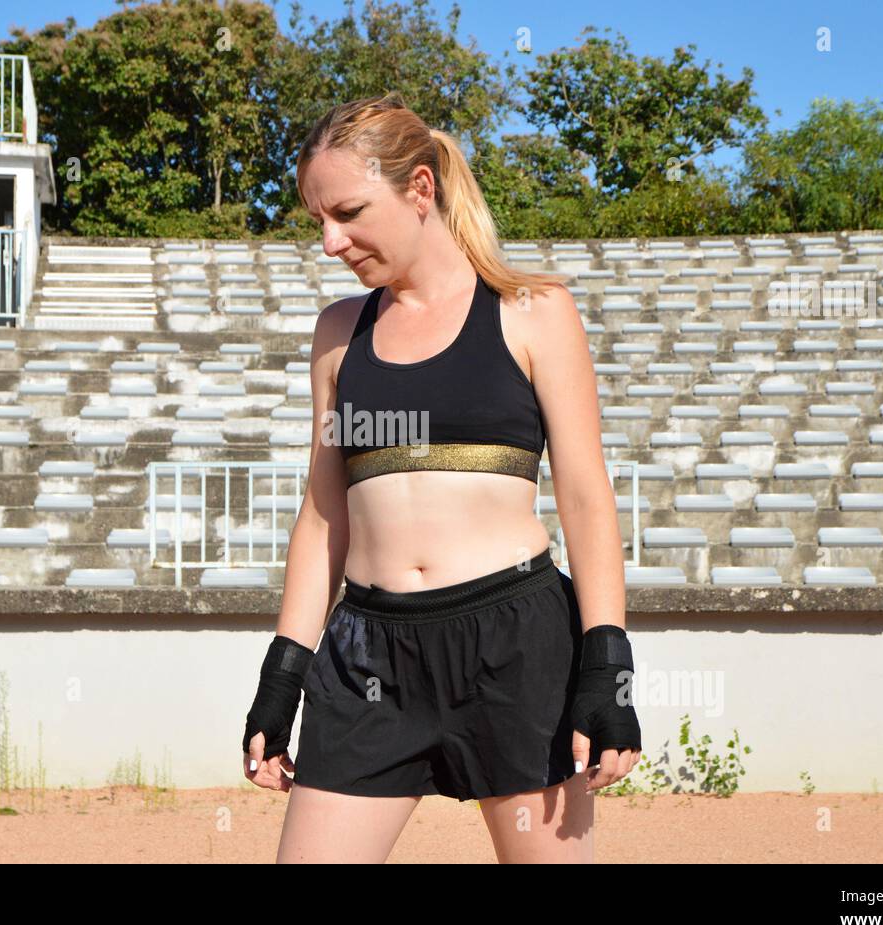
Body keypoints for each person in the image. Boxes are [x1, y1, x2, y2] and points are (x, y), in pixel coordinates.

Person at [242, 93, 641, 863]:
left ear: (420, 189)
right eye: (318, 220)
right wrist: (283, 671)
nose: (331, 242)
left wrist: (607, 664)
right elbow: (325, 516)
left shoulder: (533, 311)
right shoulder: (337, 334)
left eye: (349, 212)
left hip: (515, 649)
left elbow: (587, 499)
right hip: (367, 656)